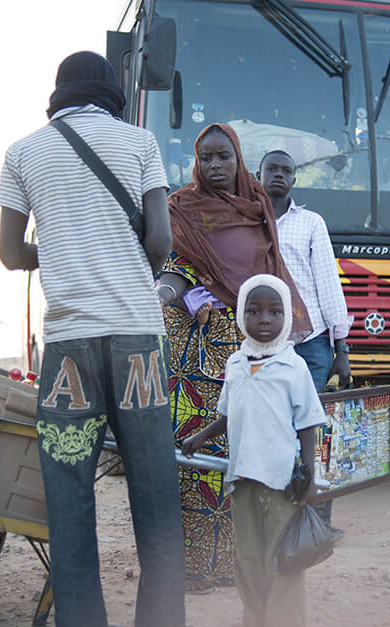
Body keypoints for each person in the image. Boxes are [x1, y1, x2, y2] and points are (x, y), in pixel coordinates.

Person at [0, 51, 187, 627]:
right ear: (112, 93)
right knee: (156, 496)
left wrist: (56, 253)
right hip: (137, 340)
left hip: (69, 347)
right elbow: (159, 240)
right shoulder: (139, 143)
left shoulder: (22, 152)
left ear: (58, 93)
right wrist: (130, 271)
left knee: (71, 505)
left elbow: (8, 254)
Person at [157, 123, 311, 593]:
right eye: (206, 158)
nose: (215, 166)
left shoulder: (257, 205)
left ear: (238, 159)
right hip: (193, 358)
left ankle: (231, 564)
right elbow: (172, 265)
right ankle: (191, 567)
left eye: (223, 156)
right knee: (193, 457)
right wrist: (171, 295)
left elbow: (269, 276)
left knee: (242, 458)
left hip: (249, 354)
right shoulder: (180, 208)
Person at [182, 274, 325, 627]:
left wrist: (308, 472)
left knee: (283, 561)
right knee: (247, 562)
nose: (264, 318)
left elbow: (309, 421)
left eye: (275, 311)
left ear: (287, 318)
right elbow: (227, 414)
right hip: (242, 480)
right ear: (241, 315)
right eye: (254, 310)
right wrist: (200, 438)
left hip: (281, 483)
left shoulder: (292, 368)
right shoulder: (236, 362)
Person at [258, 148, 349, 539]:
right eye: (272, 169)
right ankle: (273, 517)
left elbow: (328, 283)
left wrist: (341, 349)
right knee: (268, 430)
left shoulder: (311, 223)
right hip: (264, 344)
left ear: (294, 180)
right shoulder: (247, 220)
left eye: (286, 170)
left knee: (309, 429)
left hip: (311, 344)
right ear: (257, 175)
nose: (279, 175)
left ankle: (314, 522)